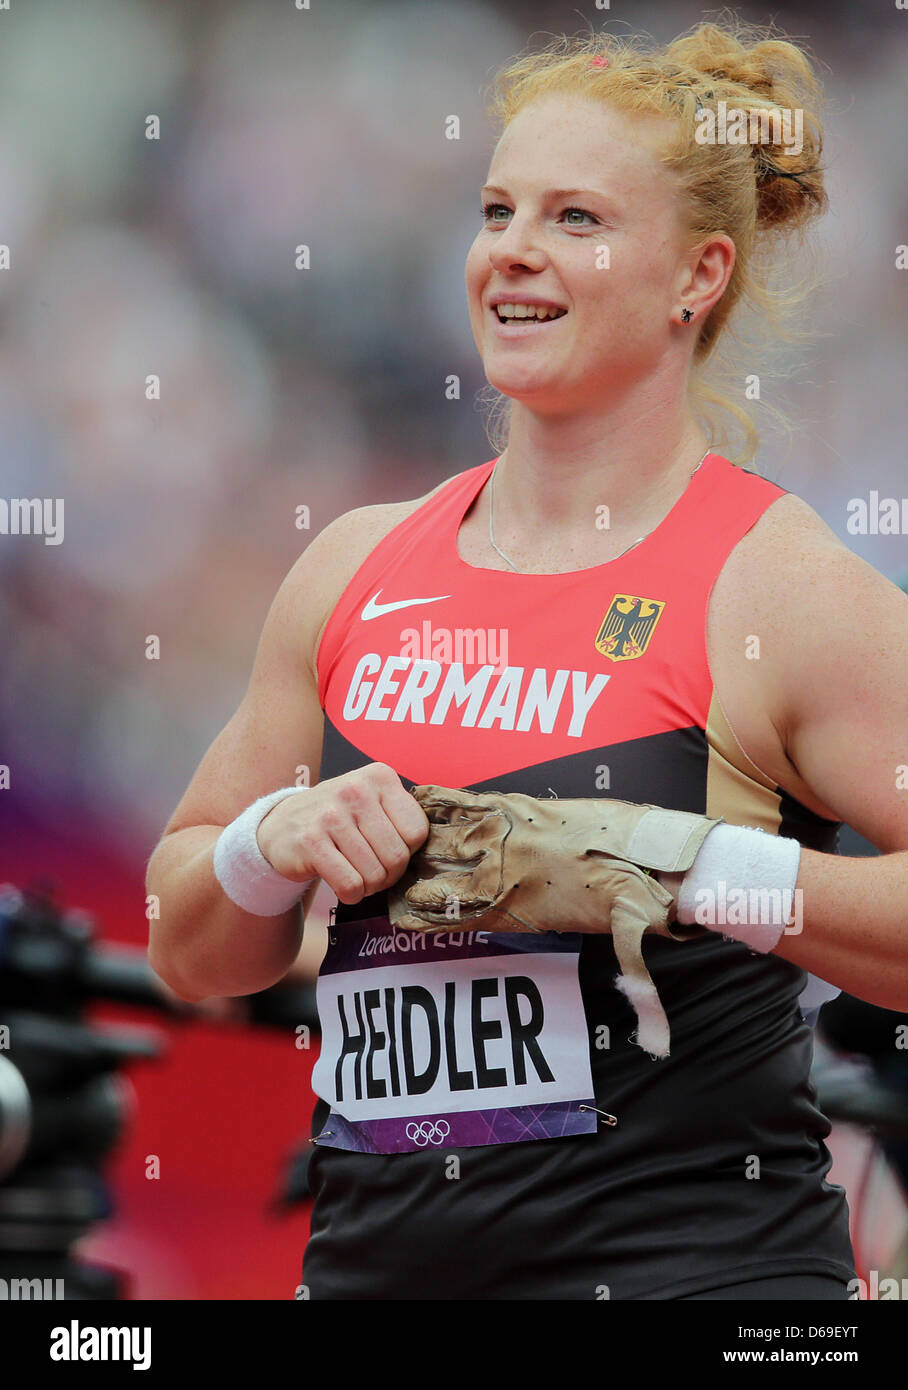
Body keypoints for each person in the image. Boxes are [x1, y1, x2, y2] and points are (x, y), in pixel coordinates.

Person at [146, 22, 908, 1300]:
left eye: (574, 218)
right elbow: (187, 944)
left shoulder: (777, 587)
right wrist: (269, 840)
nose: (511, 249)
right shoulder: (353, 566)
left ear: (697, 274)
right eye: (496, 208)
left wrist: (692, 866)